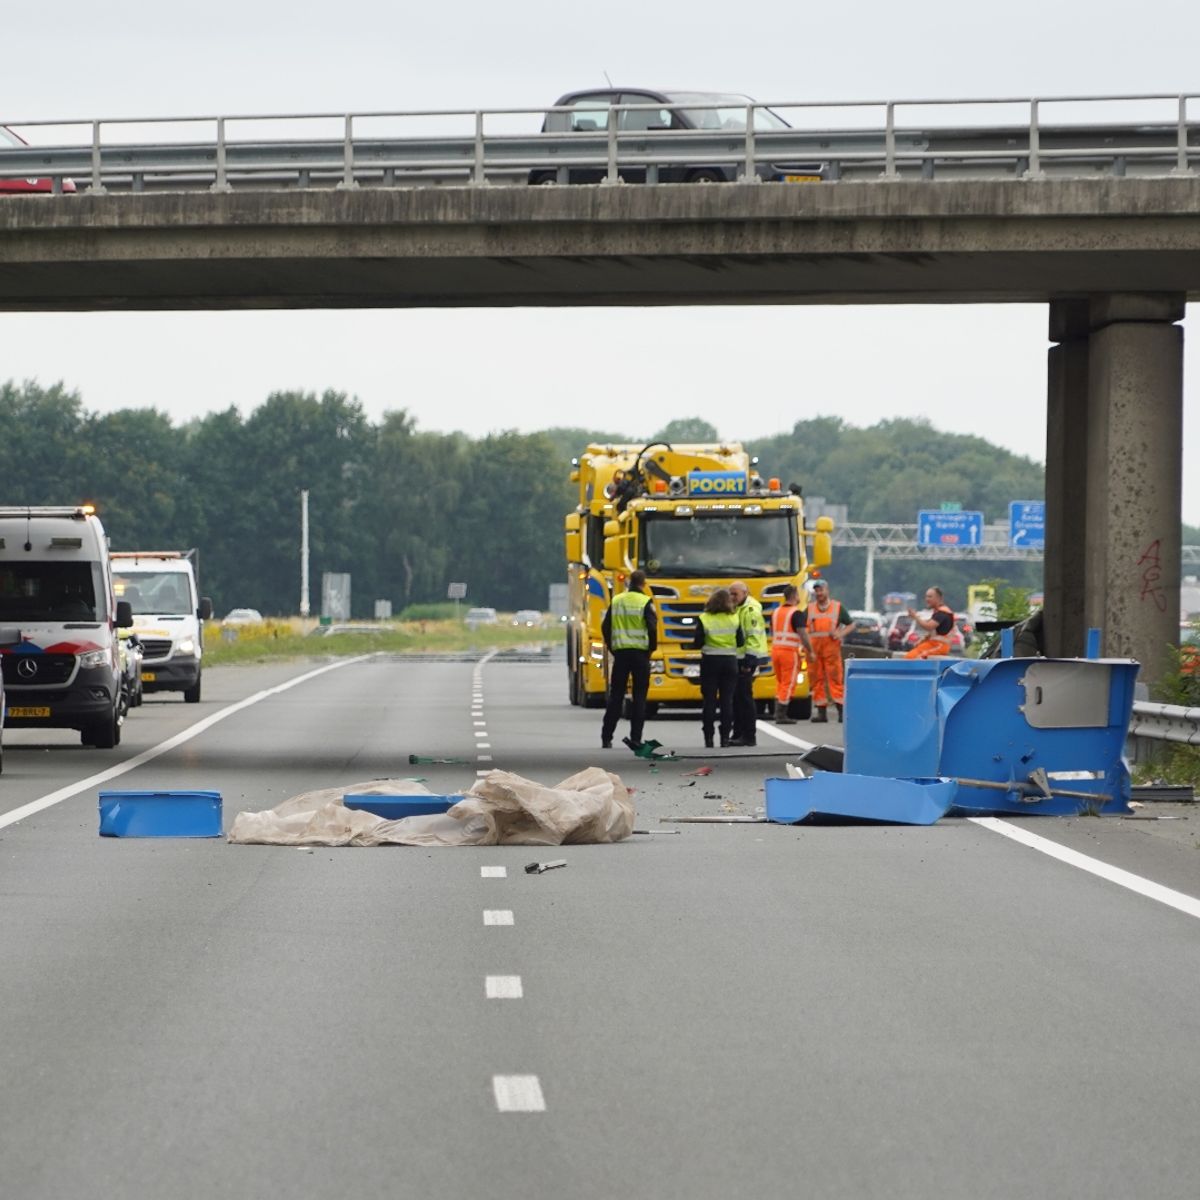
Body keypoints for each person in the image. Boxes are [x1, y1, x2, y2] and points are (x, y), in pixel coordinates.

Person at [600, 570, 657, 750]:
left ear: (629, 583)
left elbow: (605, 626)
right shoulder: (646, 602)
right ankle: (636, 738)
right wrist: (650, 649)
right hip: (640, 655)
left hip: (621, 654)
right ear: (643, 583)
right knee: (639, 697)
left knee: (616, 696)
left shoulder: (617, 601)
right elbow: (652, 628)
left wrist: (612, 646)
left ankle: (606, 737)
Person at [689, 587, 743, 749]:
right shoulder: (734, 619)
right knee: (727, 701)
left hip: (710, 662)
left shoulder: (704, 618)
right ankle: (725, 737)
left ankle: (709, 737)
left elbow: (698, 642)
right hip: (729, 662)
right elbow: (740, 642)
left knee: (709, 701)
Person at [798, 578, 853, 723]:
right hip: (814, 651)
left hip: (831, 650)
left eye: (821, 590)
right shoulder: (809, 609)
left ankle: (841, 711)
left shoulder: (837, 607)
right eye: (816, 591)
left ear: (827, 591)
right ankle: (821, 712)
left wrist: (840, 634)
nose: (819, 593)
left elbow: (851, 624)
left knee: (835, 680)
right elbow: (801, 627)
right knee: (816, 680)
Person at [728, 580, 768, 747]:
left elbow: (753, 637)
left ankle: (748, 735)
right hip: (739, 657)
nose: (732, 597)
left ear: (745, 593)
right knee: (737, 698)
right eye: (730, 593)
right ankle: (738, 733)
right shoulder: (739, 608)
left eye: (735, 594)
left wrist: (749, 661)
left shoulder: (750, 610)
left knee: (744, 698)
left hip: (747, 658)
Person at [769, 583, 804, 724]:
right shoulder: (796, 613)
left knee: (781, 682)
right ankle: (781, 714)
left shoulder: (776, 612)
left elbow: (773, 631)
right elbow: (803, 633)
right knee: (788, 683)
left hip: (775, 650)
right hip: (789, 651)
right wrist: (810, 650)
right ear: (795, 595)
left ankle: (777, 711)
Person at [904, 587, 956, 659]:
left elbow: (929, 626)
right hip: (934, 644)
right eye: (926, 596)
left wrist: (915, 617)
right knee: (909, 656)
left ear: (938, 598)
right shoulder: (938, 612)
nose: (927, 599)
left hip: (940, 645)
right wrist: (923, 640)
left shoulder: (942, 613)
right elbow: (934, 632)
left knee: (915, 658)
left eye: (930, 597)